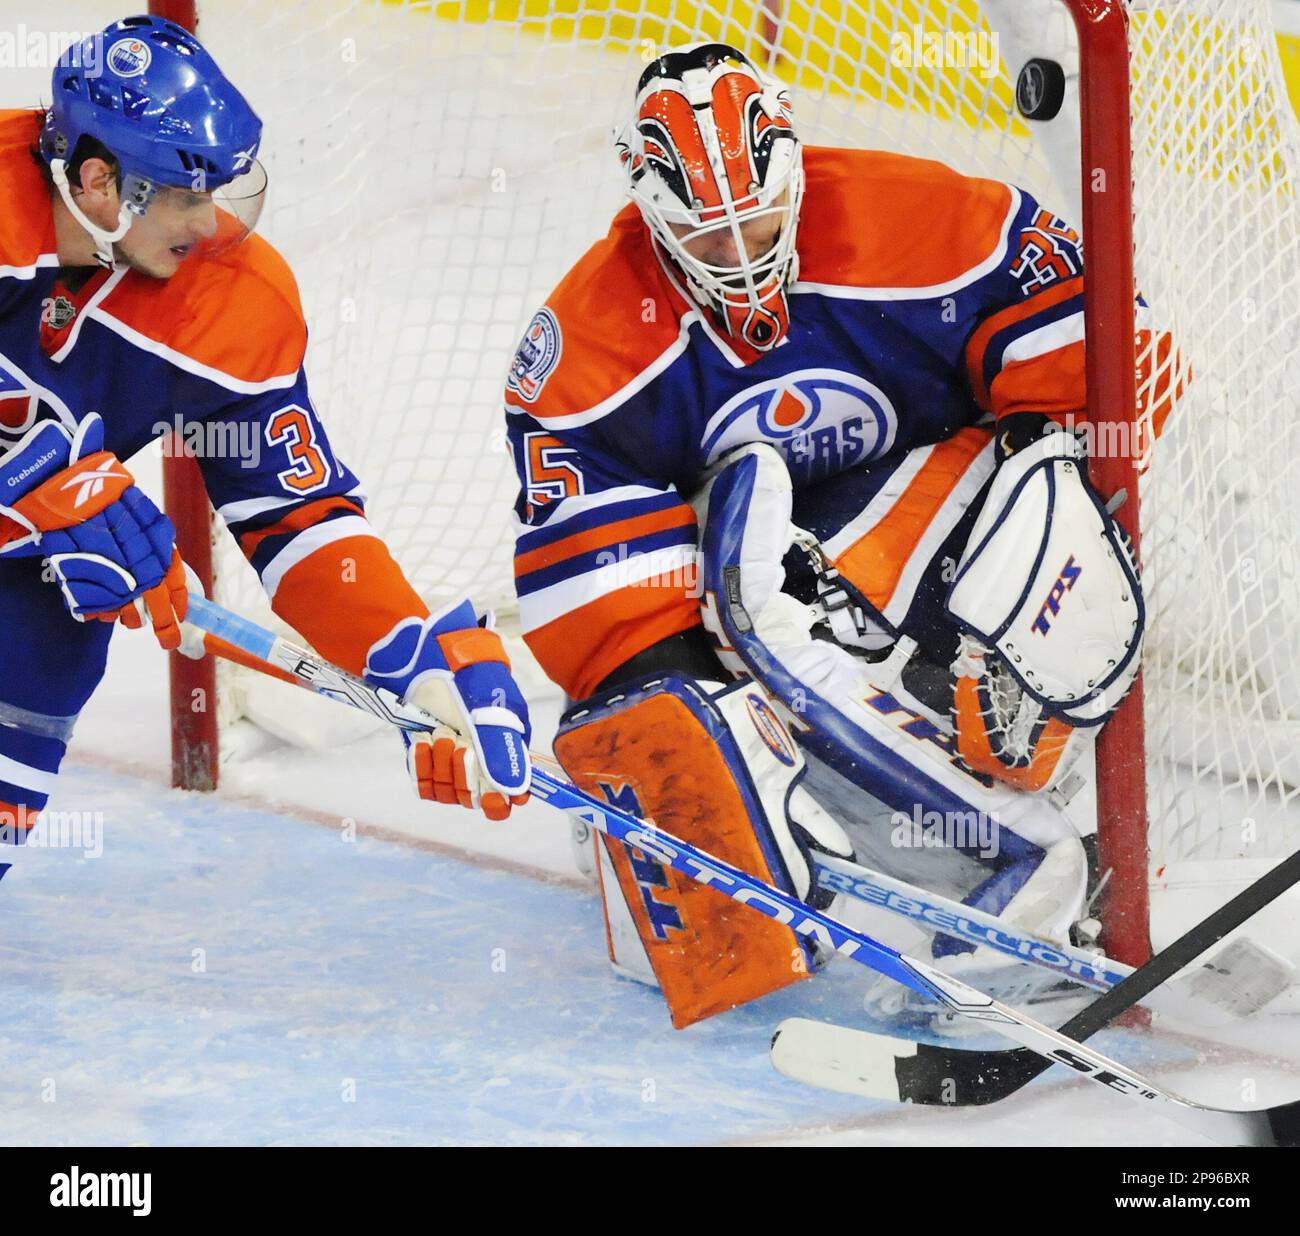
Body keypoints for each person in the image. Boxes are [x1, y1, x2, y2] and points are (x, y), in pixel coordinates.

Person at [503, 42, 1170, 1027]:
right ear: (647, 207)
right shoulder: (588, 352)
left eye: (757, 219)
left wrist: (1028, 565)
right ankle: (949, 838)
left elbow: (1122, 363)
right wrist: (706, 750)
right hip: (781, 578)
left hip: (952, 508)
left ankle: (1025, 869)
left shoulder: (928, 222)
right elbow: (606, 606)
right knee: (727, 628)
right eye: (706, 236)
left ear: (793, 169)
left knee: (832, 555)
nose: (739, 254)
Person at [0, 16, 531, 853]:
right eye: (182, 194)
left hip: (25, 594)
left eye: (213, 192)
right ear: (98, 182)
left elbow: (299, 517)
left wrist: (411, 656)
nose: (207, 224)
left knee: (52, 640)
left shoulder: (234, 307)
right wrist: (27, 484)